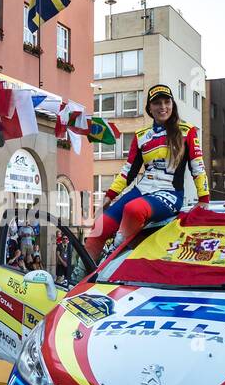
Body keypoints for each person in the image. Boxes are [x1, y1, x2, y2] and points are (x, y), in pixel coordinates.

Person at [85, 83, 210, 261]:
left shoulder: (187, 131)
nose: (163, 107)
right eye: (157, 103)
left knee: (133, 209)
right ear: (150, 108)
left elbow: (197, 166)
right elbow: (128, 171)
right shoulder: (141, 135)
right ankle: (80, 278)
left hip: (170, 193)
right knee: (98, 229)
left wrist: (204, 199)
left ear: (172, 104)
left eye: (167, 102)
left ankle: (112, 255)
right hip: (142, 190)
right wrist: (110, 195)